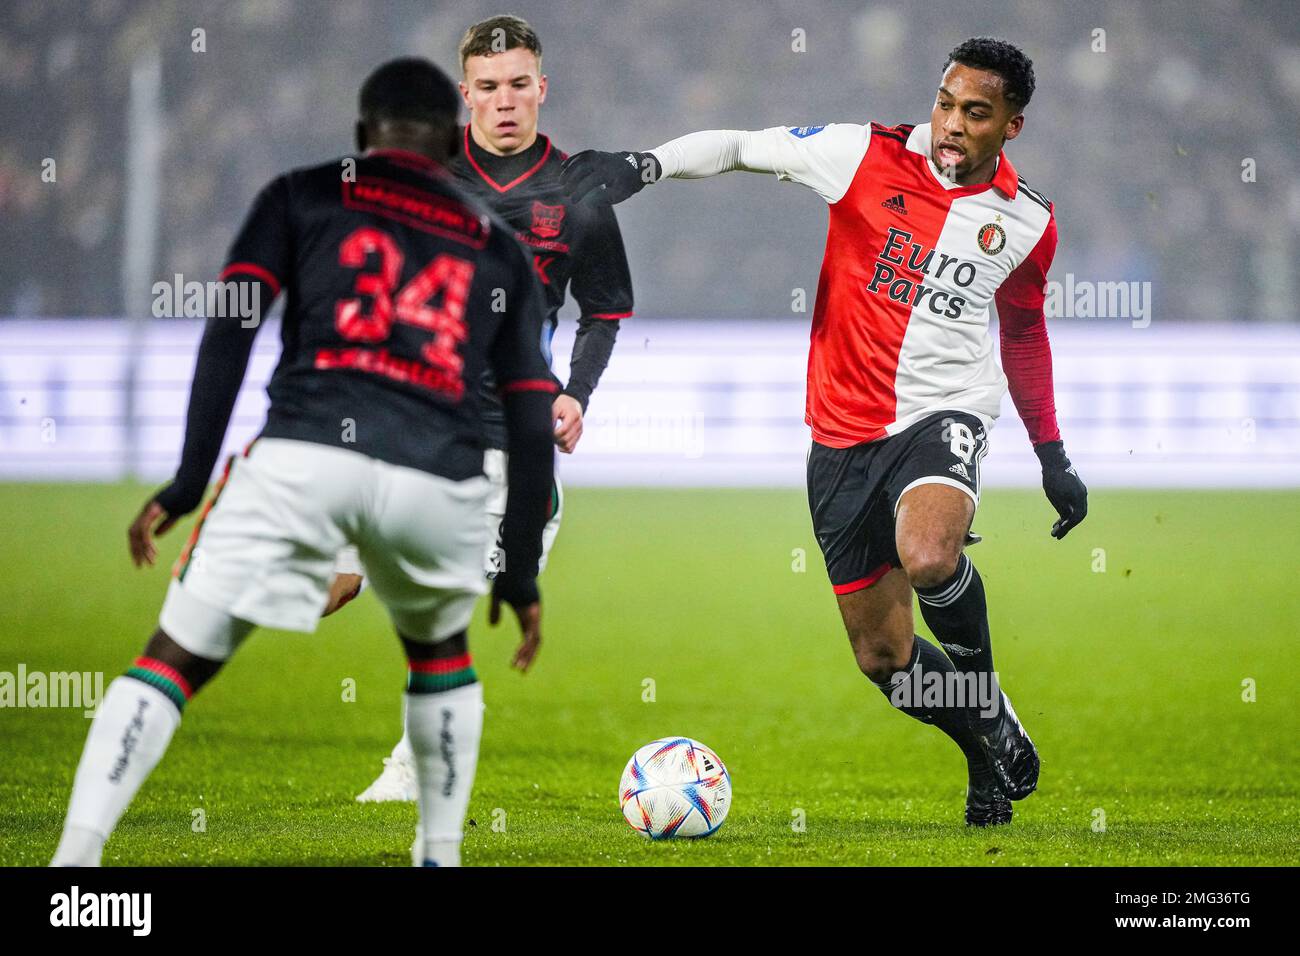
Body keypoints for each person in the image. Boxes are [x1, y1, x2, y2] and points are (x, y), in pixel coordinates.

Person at [560, 37, 1089, 826]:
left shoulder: (1026, 222)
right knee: (887, 660)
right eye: (945, 103)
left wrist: (1052, 454)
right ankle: (985, 739)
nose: (949, 124)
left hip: (945, 411)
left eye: (974, 113)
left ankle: (982, 707)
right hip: (840, 436)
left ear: (1012, 125)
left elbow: (1021, 336)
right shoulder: (859, 154)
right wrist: (648, 165)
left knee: (930, 556)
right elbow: (738, 147)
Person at [50, 57, 556, 867]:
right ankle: (439, 855)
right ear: (455, 141)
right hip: (438, 472)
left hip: (307, 453)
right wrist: (521, 571)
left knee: (172, 660)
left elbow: (230, 330)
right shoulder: (494, 245)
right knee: (441, 660)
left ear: (364, 135)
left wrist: (188, 480)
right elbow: (531, 415)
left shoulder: (304, 193)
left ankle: (74, 865)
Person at [349, 15, 634, 804]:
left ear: (541, 88)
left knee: (458, 590)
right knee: (375, 580)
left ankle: (415, 762)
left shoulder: (579, 192)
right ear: (463, 94)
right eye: (487, 88)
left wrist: (576, 395)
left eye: (518, 85)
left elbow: (605, 307)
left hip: (515, 427)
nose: (504, 102)